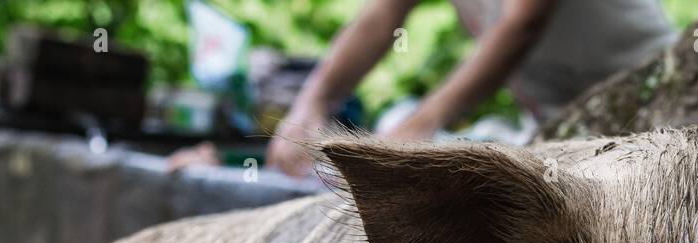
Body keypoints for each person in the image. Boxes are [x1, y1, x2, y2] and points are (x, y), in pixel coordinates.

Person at [265, 0, 675, 177]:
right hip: (567, 128)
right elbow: (382, 16)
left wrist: (420, 125)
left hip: (659, 105)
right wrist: (310, 104)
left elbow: (522, 22)